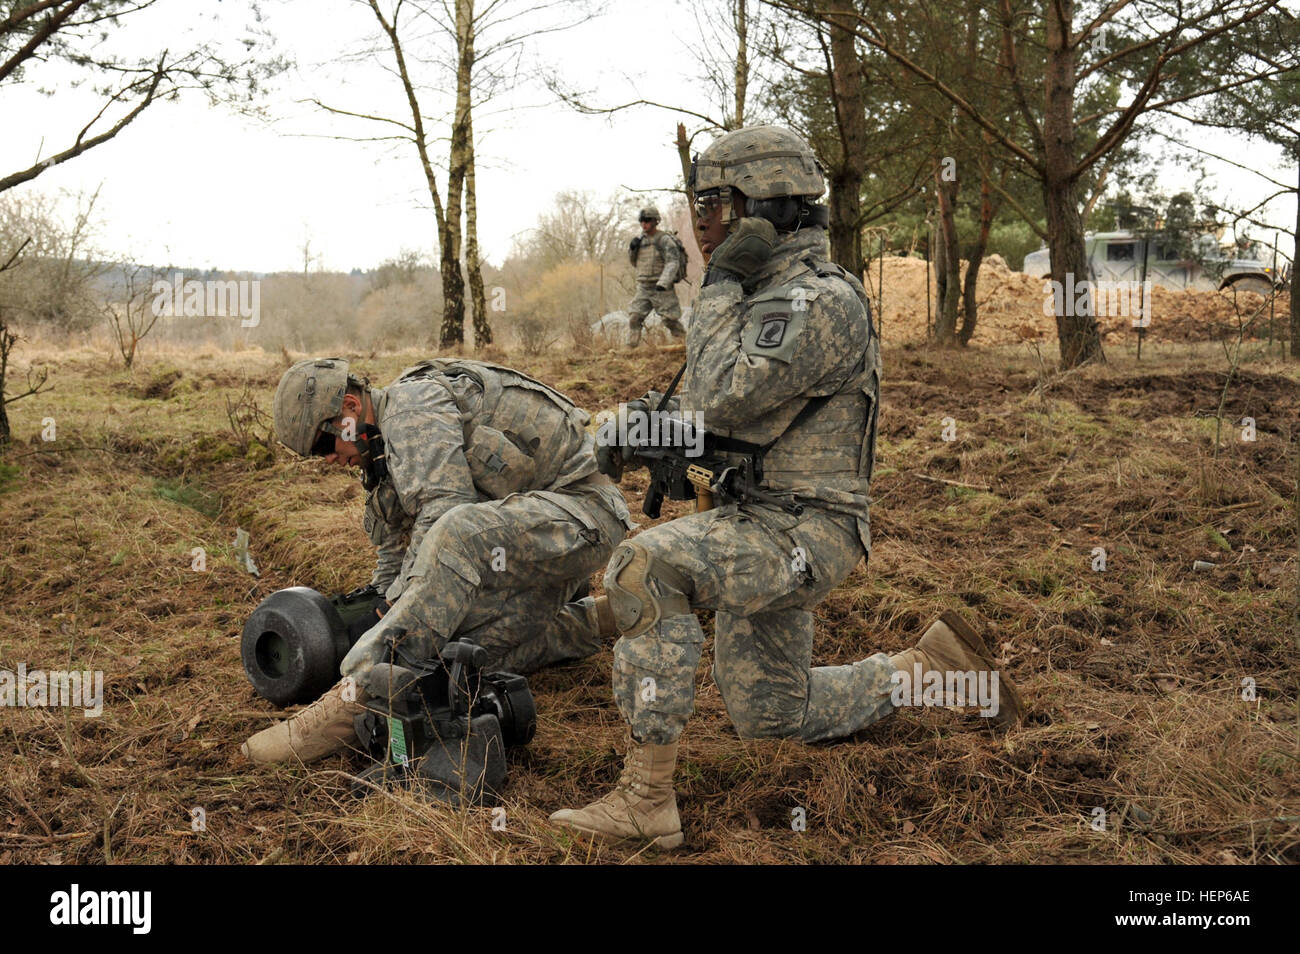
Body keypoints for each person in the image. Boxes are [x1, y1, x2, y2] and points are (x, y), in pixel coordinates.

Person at [549, 125, 1024, 849]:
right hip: (760, 519)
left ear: (760, 210)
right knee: (774, 717)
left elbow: (721, 391)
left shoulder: (812, 299)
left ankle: (645, 800)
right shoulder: (769, 291)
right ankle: (930, 669)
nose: (699, 220)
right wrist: (637, 433)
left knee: (644, 565)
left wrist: (719, 285)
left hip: (804, 530)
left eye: (712, 203)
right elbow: (722, 416)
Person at [241, 357, 633, 763]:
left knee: (454, 532)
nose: (328, 459)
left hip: (582, 516)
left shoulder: (413, 409)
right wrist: (379, 608)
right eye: (315, 455)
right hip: (530, 546)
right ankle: (597, 618)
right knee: (459, 659)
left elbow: (446, 517)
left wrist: (390, 619)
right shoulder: (380, 451)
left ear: (350, 410)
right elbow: (394, 555)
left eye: (325, 444)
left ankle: (348, 703)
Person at [625, 206, 685, 346]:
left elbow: (673, 261)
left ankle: (684, 345)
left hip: (662, 288)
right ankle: (631, 348)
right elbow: (635, 263)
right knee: (634, 317)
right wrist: (632, 249)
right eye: (641, 221)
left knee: (670, 320)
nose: (643, 224)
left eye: (646, 220)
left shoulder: (664, 240)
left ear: (655, 221)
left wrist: (663, 282)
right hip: (644, 287)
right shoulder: (641, 240)